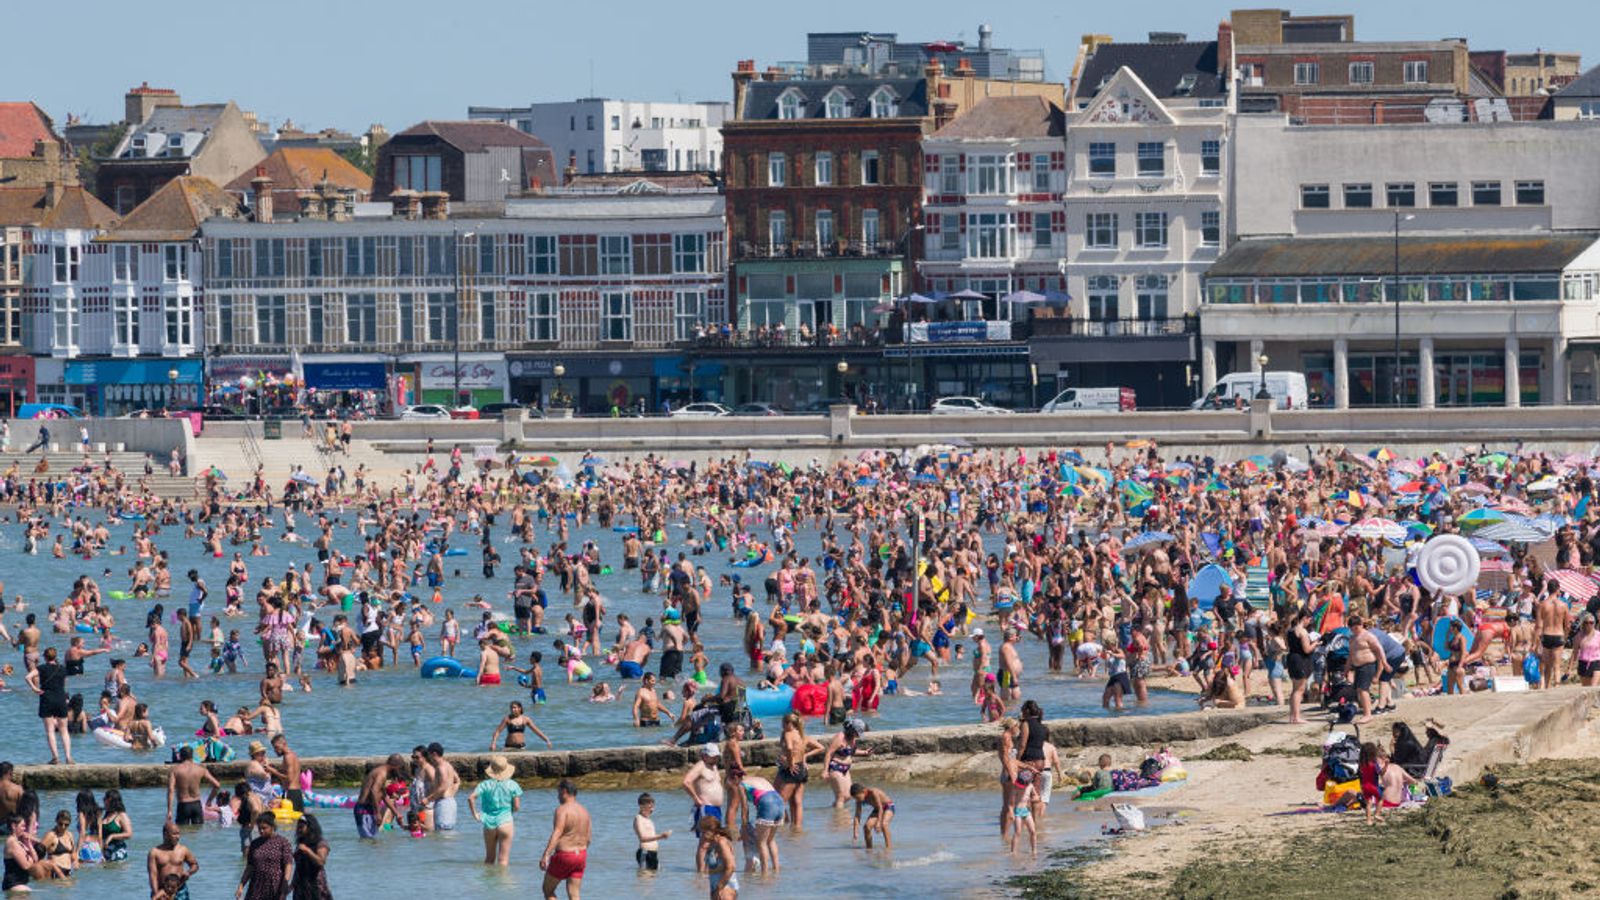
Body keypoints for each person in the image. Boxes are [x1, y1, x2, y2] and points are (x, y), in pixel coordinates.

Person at [539, 779, 591, 900]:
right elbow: (588, 838)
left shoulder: (562, 809)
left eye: (558, 793)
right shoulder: (585, 811)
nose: (557, 797)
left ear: (564, 791)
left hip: (565, 855)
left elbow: (557, 833)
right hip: (581, 856)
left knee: (548, 890)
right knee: (574, 894)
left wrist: (546, 855)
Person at [467, 755, 522, 866]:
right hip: (505, 822)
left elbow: (471, 798)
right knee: (503, 860)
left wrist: (475, 815)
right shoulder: (513, 785)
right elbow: (517, 807)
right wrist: (510, 811)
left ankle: (489, 883)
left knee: (489, 859)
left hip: (489, 823)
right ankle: (501, 883)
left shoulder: (484, 785)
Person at [772, 713, 822, 828]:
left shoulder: (788, 733)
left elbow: (789, 748)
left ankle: (781, 827)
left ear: (789, 723)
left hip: (791, 769)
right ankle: (797, 828)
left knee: (780, 801)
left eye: (783, 723)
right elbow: (820, 747)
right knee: (797, 801)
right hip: (800, 768)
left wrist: (790, 763)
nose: (782, 726)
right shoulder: (801, 734)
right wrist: (804, 757)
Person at [24, 646, 72, 764]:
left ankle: (55, 757)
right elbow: (64, 683)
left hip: (47, 698)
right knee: (64, 730)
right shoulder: (62, 669)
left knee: (50, 730)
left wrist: (35, 689)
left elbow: (27, 677)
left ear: (45, 657)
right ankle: (68, 757)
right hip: (60, 698)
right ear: (55, 657)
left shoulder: (41, 668)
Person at [683, 743, 725, 871]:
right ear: (704, 755)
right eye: (712, 756)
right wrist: (696, 798)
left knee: (716, 840)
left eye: (717, 756)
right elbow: (686, 782)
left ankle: (710, 869)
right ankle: (701, 872)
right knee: (705, 842)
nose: (715, 759)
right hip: (706, 808)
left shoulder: (714, 767)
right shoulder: (700, 766)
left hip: (717, 809)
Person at [236, 810, 292, 900]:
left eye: (264, 828)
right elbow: (250, 866)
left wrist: (285, 883)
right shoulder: (255, 843)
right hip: (256, 886)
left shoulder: (283, 842)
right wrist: (241, 885)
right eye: (259, 828)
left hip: (275, 887)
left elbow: (288, 865)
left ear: (272, 827)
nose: (261, 831)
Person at [739, 774, 784, 872]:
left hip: (767, 804)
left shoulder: (741, 784)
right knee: (770, 840)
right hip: (780, 802)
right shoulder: (761, 778)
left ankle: (765, 872)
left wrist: (744, 827)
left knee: (761, 842)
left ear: (734, 778)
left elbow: (744, 809)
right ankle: (776, 869)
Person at [168, 744, 221, 824]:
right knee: (197, 833)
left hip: (183, 805)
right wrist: (209, 801)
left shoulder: (175, 770)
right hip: (196, 805)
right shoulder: (201, 769)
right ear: (192, 756)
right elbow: (217, 785)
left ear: (180, 756)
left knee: (183, 832)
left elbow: (171, 790)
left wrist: (169, 811)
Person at [147, 820, 200, 900]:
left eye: (178, 833)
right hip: (162, 890)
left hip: (180, 889)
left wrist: (189, 872)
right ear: (165, 834)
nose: (177, 836)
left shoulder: (183, 850)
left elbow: (194, 865)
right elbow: (153, 875)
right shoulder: (154, 852)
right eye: (174, 834)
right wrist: (156, 893)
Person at [291, 814, 332, 900]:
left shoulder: (320, 843)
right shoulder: (301, 843)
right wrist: (291, 886)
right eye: (298, 827)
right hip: (300, 887)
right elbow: (298, 868)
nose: (299, 830)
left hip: (316, 886)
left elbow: (321, 861)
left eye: (301, 827)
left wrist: (308, 851)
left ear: (310, 827)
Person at [696, 816, 738, 900]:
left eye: (704, 832)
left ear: (712, 830)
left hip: (726, 887)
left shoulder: (721, 842)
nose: (702, 835)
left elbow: (731, 867)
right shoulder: (712, 844)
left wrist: (720, 887)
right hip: (716, 887)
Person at [421, 743, 460, 832]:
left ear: (434, 754)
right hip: (451, 802)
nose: (428, 757)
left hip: (444, 803)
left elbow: (443, 787)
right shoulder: (448, 765)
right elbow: (457, 781)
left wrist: (428, 799)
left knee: (443, 833)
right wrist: (452, 793)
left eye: (429, 754)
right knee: (447, 832)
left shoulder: (440, 768)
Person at [849, 783, 895, 850]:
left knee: (884, 824)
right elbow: (857, 815)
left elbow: (880, 808)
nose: (857, 800)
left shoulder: (873, 792)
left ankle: (889, 847)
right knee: (866, 827)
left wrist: (878, 822)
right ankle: (869, 849)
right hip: (877, 809)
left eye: (858, 797)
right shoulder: (858, 800)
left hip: (888, 806)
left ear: (864, 791)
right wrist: (855, 831)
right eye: (855, 798)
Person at [633, 792, 671, 871]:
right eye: (650, 807)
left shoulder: (649, 820)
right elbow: (642, 838)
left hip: (654, 853)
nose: (652, 809)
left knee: (653, 880)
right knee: (645, 881)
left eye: (653, 806)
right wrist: (661, 836)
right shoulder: (638, 818)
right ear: (641, 806)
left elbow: (652, 837)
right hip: (645, 852)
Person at [1008, 770, 1039, 855]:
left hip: (1026, 811)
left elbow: (1036, 797)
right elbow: (1010, 803)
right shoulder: (1015, 788)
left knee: (1033, 831)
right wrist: (1011, 813)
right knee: (1018, 832)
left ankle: (1034, 850)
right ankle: (1013, 852)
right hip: (1017, 811)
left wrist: (1032, 799)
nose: (1021, 786)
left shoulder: (1030, 786)